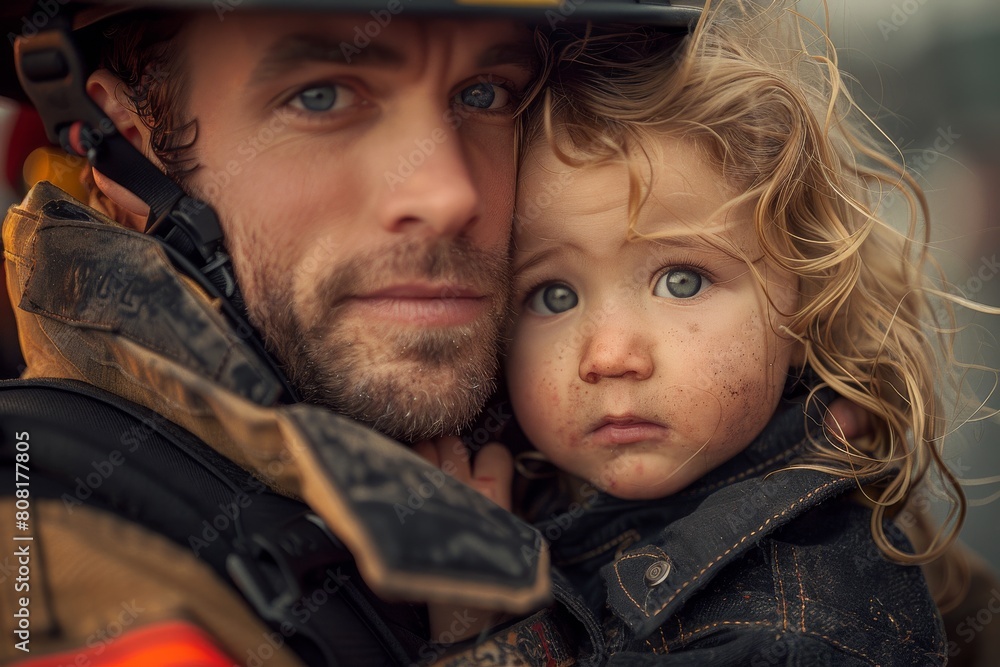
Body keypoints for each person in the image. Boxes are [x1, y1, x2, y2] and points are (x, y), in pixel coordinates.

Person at [0, 1, 879, 665]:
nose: (453, 189)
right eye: (322, 94)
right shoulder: (50, 563)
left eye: (484, 93)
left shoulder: (618, 445)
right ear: (126, 142)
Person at [420, 1, 1000, 663]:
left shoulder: (785, 635)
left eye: (682, 281)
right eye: (553, 295)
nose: (611, 355)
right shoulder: (543, 488)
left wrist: (477, 632)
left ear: (805, 302)